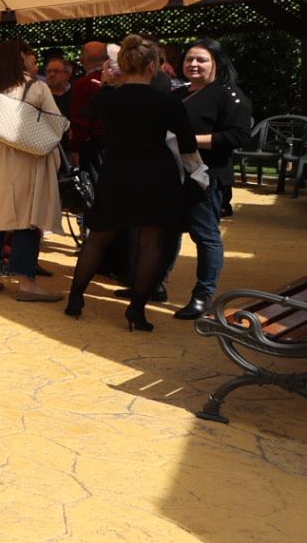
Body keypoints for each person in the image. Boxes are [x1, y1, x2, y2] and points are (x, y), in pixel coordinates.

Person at [64, 35, 197, 331]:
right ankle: (136, 311)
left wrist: (110, 85)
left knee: (98, 237)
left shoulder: (108, 98)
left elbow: (84, 118)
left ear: (123, 65)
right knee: (152, 242)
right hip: (156, 175)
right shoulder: (167, 101)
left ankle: (75, 298)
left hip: (116, 173)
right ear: (153, 66)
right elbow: (187, 143)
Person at [0, 39, 64, 301]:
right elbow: (56, 124)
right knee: (25, 220)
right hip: (24, 159)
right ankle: (26, 284)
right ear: (21, 56)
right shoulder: (36, 88)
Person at [163, 38, 252, 320]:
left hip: (207, 176)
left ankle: (203, 296)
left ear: (216, 63)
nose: (194, 64)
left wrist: (189, 140)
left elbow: (238, 136)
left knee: (205, 235)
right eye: (189, 59)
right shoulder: (177, 94)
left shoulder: (228, 94)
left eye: (201, 59)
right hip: (173, 175)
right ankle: (155, 284)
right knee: (168, 231)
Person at [67, 40, 110, 174]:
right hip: (115, 140)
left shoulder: (82, 84)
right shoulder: (117, 80)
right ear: (106, 58)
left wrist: (76, 148)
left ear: (82, 59)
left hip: (92, 143)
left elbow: (80, 120)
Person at [42, 50, 74, 119]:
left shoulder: (76, 94)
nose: (52, 74)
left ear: (67, 74)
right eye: (49, 71)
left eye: (56, 71)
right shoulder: (41, 95)